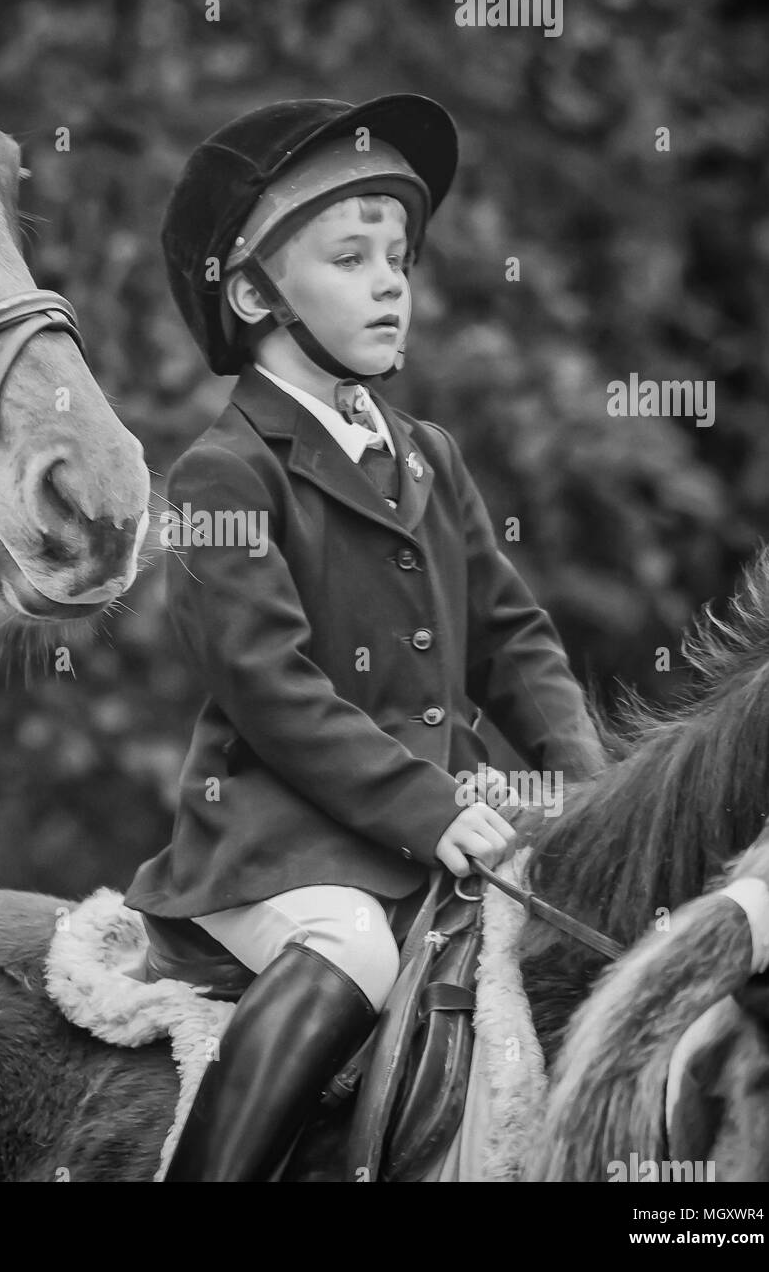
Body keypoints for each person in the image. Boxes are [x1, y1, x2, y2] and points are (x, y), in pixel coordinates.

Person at [125, 94, 605, 1182]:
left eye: (398, 255)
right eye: (351, 256)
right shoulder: (222, 474)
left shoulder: (426, 451)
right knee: (348, 942)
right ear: (252, 291)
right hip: (281, 845)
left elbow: (512, 639)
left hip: (444, 831)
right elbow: (273, 689)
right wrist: (431, 808)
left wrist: (593, 786)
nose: (392, 280)